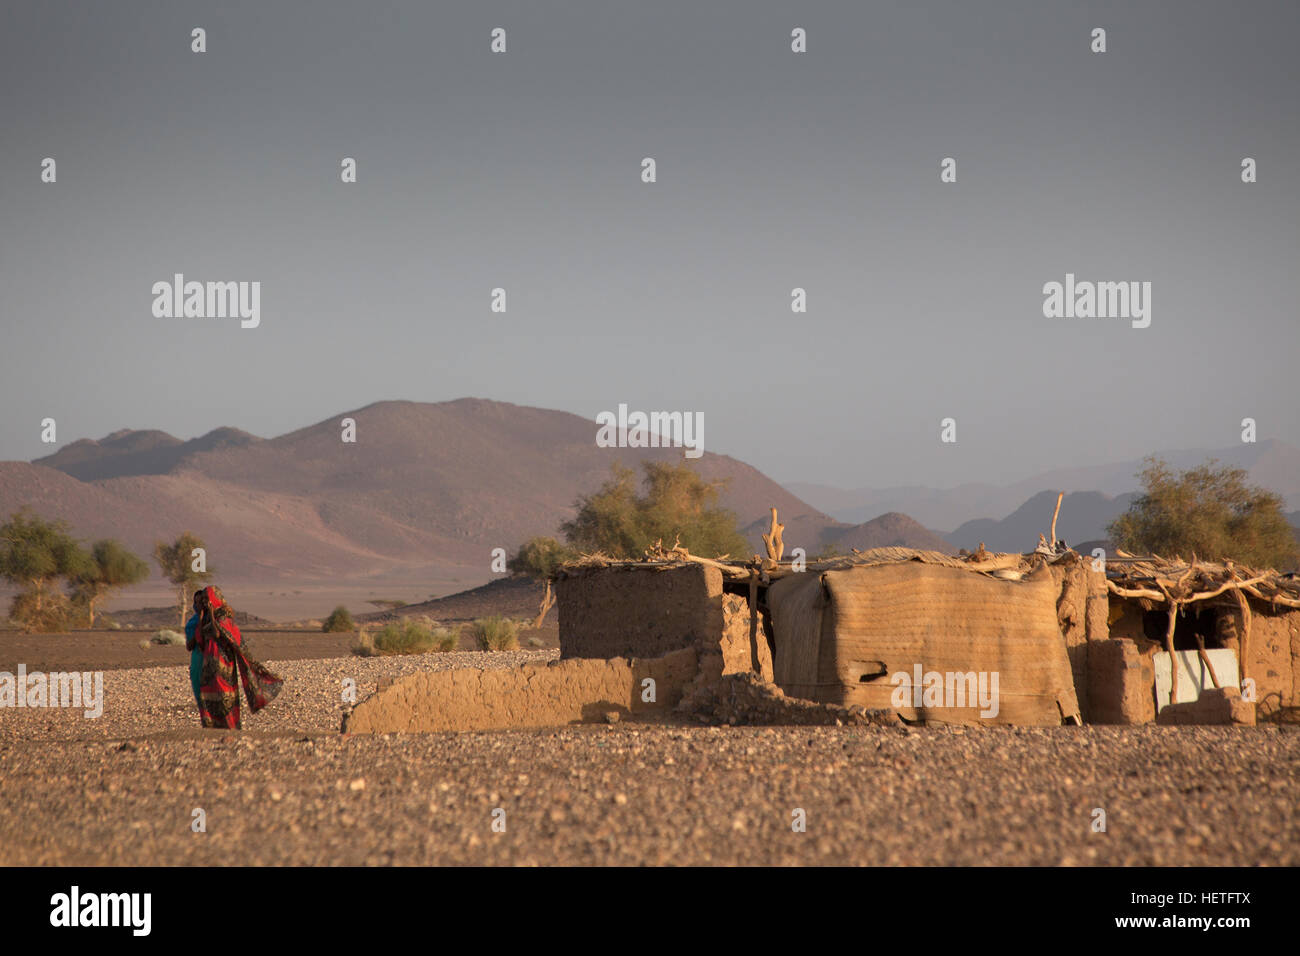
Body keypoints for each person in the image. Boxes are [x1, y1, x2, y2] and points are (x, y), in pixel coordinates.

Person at [193, 585, 284, 728]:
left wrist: (211, 614)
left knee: (224, 695)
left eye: (207, 598)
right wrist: (202, 617)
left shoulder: (223, 615)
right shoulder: (205, 618)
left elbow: (217, 633)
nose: (205, 602)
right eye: (204, 599)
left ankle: (231, 726)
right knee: (209, 694)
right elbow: (200, 639)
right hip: (209, 663)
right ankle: (212, 727)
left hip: (223, 662)